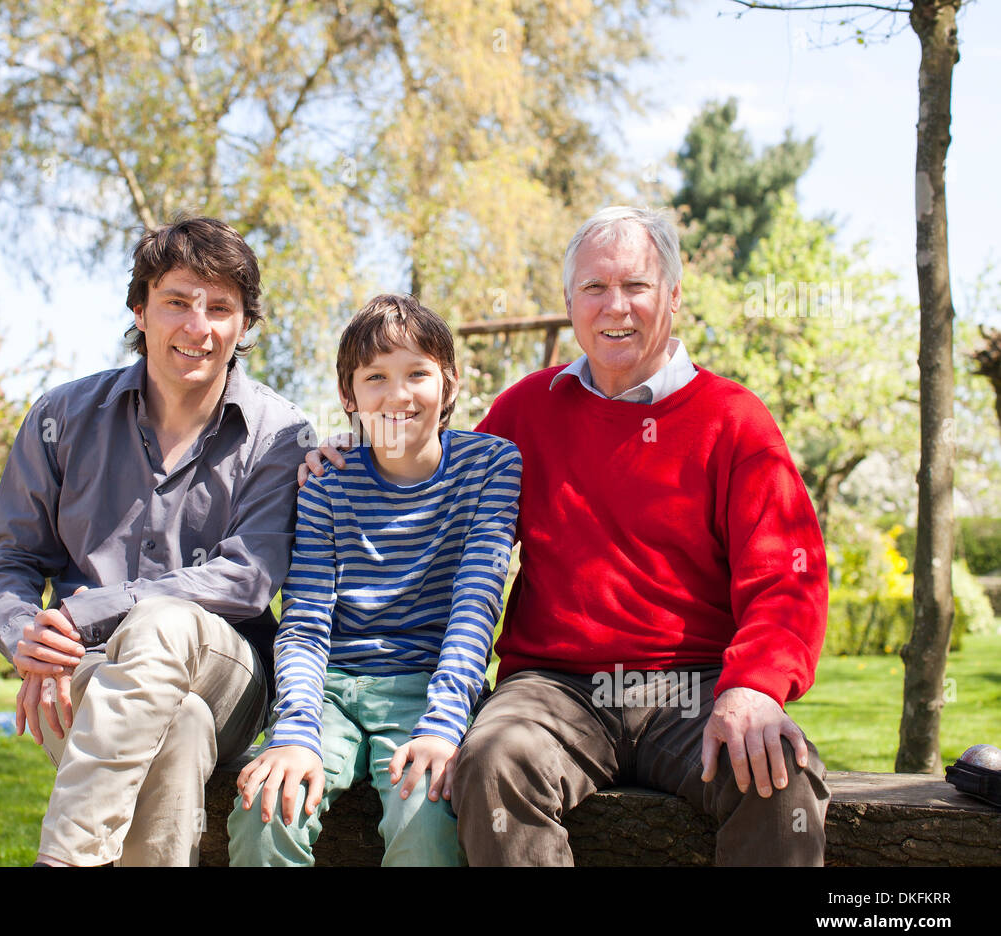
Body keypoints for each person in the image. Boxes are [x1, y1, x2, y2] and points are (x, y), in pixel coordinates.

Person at [304, 206, 831, 866]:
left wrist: (754, 684)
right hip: (555, 689)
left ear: (672, 296)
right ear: (569, 302)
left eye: (637, 286)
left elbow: (791, 574)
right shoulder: (526, 410)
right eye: (595, 288)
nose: (617, 306)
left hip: (693, 686)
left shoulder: (734, 420)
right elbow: (428, 481)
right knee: (492, 760)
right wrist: (352, 451)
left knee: (778, 775)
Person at [0, 216, 310, 867]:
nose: (198, 326)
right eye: (178, 302)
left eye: (220, 308)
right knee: (176, 728)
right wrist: (27, 637)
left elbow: (246, 577)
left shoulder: (280, 433)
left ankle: (64, 859)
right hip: (89, 672)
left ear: (244, 325)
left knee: (161, 622)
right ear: (141, 309)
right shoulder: (59, 418)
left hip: (230, 672)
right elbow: (8, 561)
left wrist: (86, 609)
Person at [228, 293, 521, 866]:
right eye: (375, 377)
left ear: (450, 384)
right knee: (268, 808)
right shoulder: (326, 481)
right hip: (331, 687)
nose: (398, 394)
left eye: (418, 373)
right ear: (349, 395)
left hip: (427, 684)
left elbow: (475, 607)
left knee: (428, 820)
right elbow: (307, 623)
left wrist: (442, 726)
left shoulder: (491, 466)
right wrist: (294, 731)